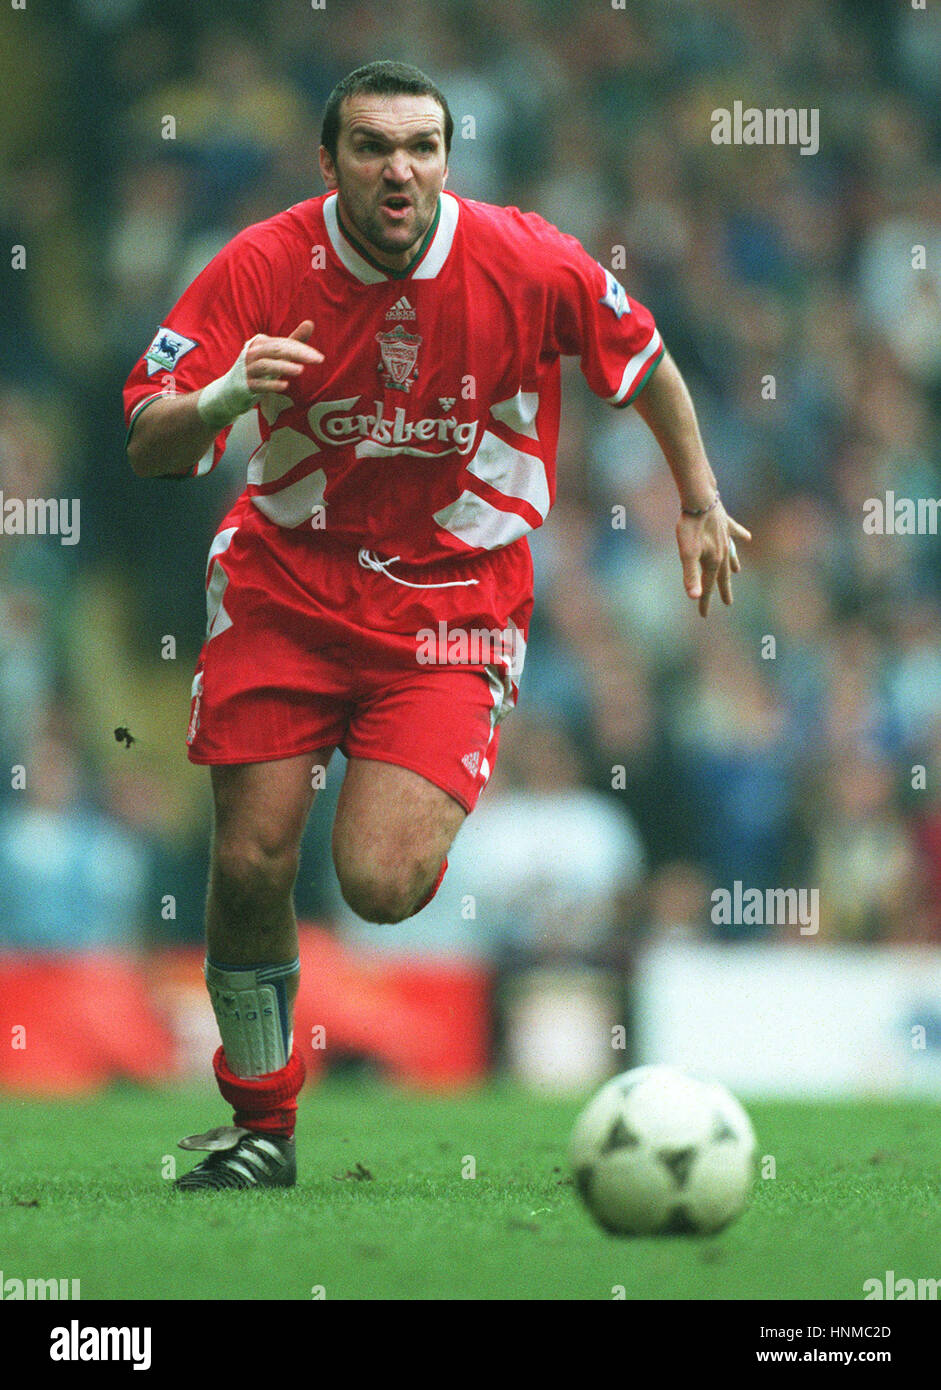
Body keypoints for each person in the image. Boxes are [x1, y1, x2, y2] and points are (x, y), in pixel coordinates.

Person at [123, 60, 750, 1190]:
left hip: (451, 603)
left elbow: (645, 362)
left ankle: (421, 759)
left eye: (420, 146)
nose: (397, 169)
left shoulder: (526, 257)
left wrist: (699, 500)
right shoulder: (261, 265)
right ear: (329, 164)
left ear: (448, 159)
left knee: (380, 881)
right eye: (371, 147)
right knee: (254, 853)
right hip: (288, 583)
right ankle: (260, 1127)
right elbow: (148, 439)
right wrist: (222, 399)